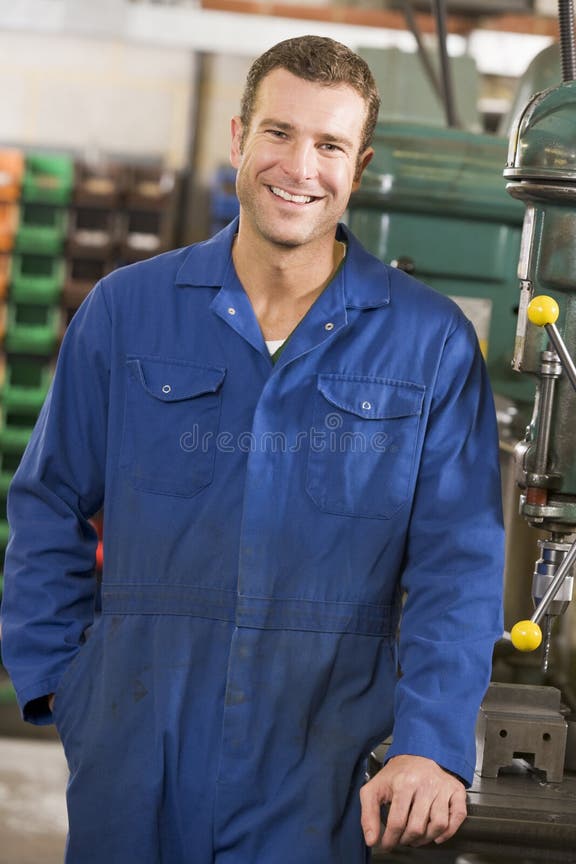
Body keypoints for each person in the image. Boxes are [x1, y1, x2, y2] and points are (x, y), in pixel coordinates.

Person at [0, 35, 504, 863]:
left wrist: (432, 740)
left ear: (360, 163)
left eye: (330, 144)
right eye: (279, 133)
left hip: (325, 758)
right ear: (239, 139)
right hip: (136, 741)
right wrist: (64, 682)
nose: (300, 166)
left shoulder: (430, 344)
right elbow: (48, 499)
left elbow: (461, 561)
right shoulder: (128, 311)